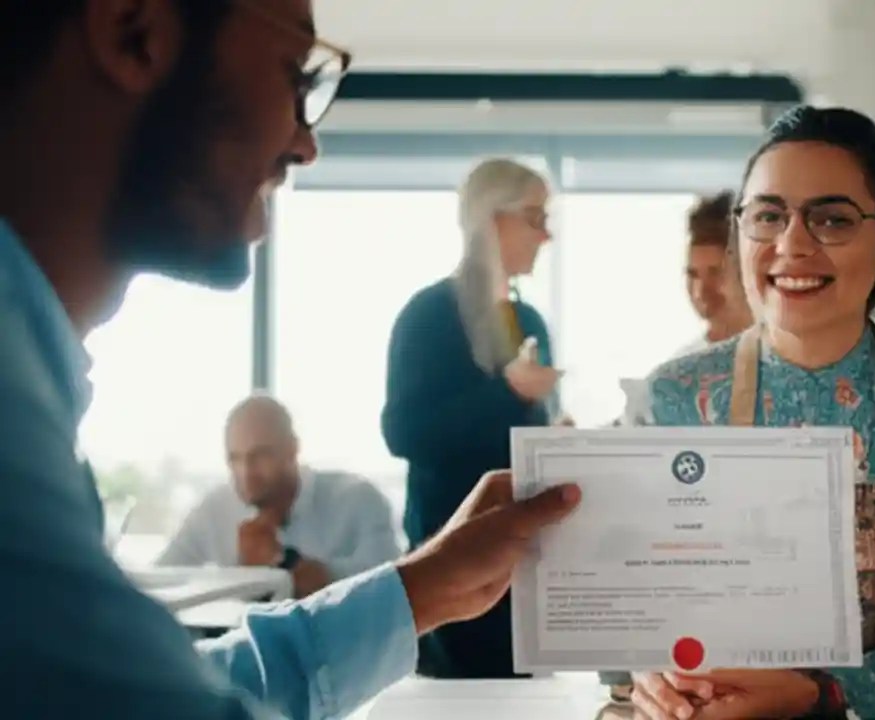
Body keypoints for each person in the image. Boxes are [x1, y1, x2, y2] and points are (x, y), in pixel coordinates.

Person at [0, 1, 579, 717]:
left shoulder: (32, 381)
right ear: (134, 31)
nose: (308, 145)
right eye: (296, 75)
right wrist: (508, 396)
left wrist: (421, 588)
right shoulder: (432, 314)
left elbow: (151, 691)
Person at [630, 106, 875, 720]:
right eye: (768, 216)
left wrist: (823, 695)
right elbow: (640, 613)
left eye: (832, 219)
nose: (792, 245)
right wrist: (653, 676)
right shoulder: (673, 398)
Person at [381, 157, 562, 678]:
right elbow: (404, 432)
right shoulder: (428, 314)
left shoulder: (528, 321)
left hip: (524, 569)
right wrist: (508, 391)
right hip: (451, 574)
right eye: (534, 216)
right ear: (490, 219)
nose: (545, 235)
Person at [159, 395, 401, 598]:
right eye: (235, 458)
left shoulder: (358, 500)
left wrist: (282, 561)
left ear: (293, 449)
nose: (246, 472)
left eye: (260, 455)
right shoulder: (213, 510)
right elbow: (158, 581)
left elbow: (390, 591)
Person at [672, 191, 753, 358]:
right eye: (693, 275)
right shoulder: (682, 367)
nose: (700, 292)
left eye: (716, 273)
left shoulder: (789, 358)